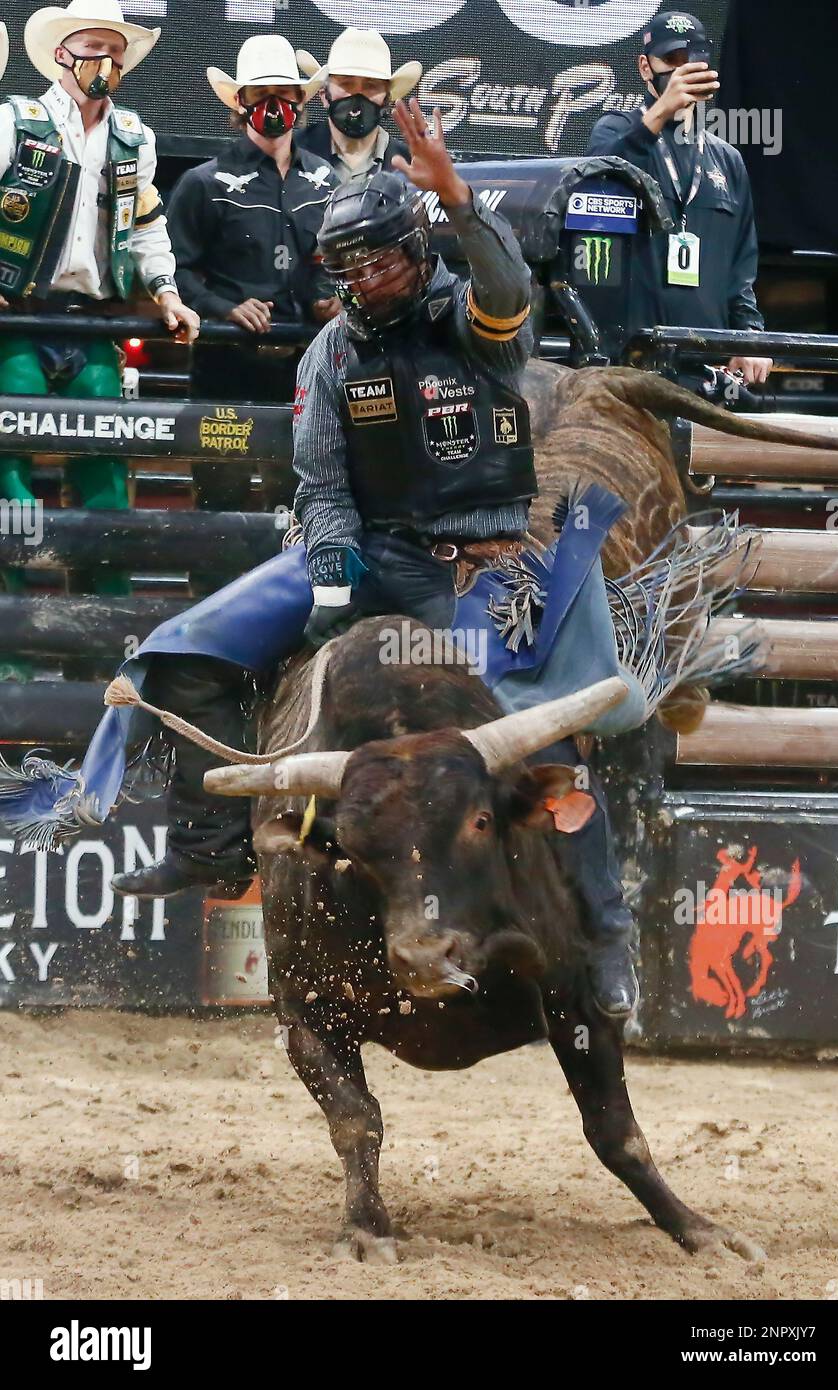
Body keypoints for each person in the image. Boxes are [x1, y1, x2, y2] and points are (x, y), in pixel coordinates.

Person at [110, 100, 638, 1019]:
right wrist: (330, 584)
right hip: (374, 549)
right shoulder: (327, 355)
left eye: (384, 257)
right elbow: (320, 486)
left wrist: (460, 200)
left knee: (545, 740)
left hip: (489, 560)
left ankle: (602, 935)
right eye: (349, 265)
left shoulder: (469, 324)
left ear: (418, 251)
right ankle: (212, 840)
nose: (368, 276)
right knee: (181, 651)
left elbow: (510, 297)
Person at [0, 0, 198, 653]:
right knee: (9, 477)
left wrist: (167, 293)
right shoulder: (16, 123)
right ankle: (14, 651)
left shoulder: (134, 137)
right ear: (61, 55)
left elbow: (147, 227)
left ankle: (104, 643)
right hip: (20, 318)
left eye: (113, 51)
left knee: (107, 475)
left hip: (93, 323)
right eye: (91, 47)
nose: (104, 61)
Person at [166, 34, 340, 546]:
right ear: (240, 103)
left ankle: (296, 615)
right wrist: (223, 307)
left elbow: (331, 265)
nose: (274, 106)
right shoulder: (205, 182)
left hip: (304, 371)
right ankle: (210, 611)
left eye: (285, 94)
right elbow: (173, 270)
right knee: (222, 501)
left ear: (301, 101)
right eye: (260, 94)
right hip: (226, 368)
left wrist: (326, 296)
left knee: (303, 498)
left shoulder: (326, 183)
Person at [588, 10, 773, 389]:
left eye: (692, 61)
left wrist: (749, 335)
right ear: (645, 68)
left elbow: (741, 269)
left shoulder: (727, 159)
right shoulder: (615, 131)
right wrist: (662, 111)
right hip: (627, 362)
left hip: (704, 365)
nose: (683, 71)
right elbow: (605, 178)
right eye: (671, 61)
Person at [294, 27, 418, 185]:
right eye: (346, 83)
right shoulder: (290, 154)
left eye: (371, 86)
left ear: (387, 101)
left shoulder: (410, 166)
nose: (357, 95)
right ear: (324, 95)